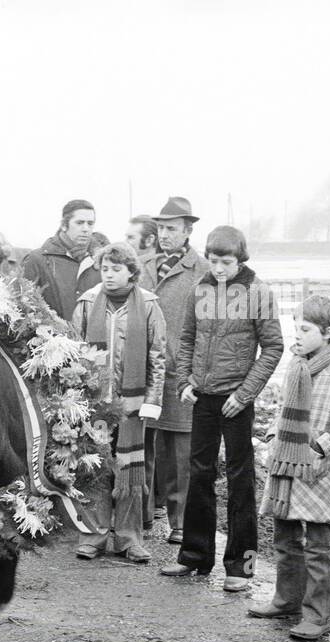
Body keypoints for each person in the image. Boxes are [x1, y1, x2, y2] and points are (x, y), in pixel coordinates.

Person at [162, 226, 283, 591]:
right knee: (198, 474)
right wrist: (184, 381)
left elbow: (273, 348)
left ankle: (240, 568)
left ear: (240, 259)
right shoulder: (199, 288)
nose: (218, 268)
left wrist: (244, 395)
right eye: (213, 260)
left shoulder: (258, 292)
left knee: (240, 480)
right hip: (202, 398)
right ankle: (193, 557)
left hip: (236, 402)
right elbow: (186, 338)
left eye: (226, 262)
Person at [249, 295, 330, 641]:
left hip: (316, 472)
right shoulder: (295, 365)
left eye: (305, 329)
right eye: (295, 327)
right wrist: (272, 433)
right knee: (284, 538)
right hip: (285, 465)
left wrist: (317, 447)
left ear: (328, 332)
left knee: (317, 545)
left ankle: (320, 614)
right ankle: (287, 600)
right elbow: (282, 409)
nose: (296, 335)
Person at [70, 243, 166, 563]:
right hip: (95, 401)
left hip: (131, 401)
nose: (109, 275)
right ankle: (93, 535)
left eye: (116, 269)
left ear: (131, 272)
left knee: (129, 467)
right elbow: (74, 352)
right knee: (94, 465)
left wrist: (151, 400)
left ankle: (128, 537)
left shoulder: (149, 305)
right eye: (105, 269)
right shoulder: (86, 303)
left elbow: (158, 356)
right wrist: (74, 398)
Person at [140, 197, 208, 545]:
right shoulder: (142, 265)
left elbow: (212, 326)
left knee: (182, 449)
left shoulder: (204, 271)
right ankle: (144, 514)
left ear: (188, 230)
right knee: (145, 442)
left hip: (183, 372)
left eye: (172, 228)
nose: (164, 234)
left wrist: (197, 370)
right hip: (146, 371)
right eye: (161, 228)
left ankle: (179, 520)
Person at [22, 199, 99, 322]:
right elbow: (25, 308)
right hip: (51, 338)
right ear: (64, 225)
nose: (86, 228)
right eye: (79, 223)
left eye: (90, 223)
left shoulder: (100, 263)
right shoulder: (37, 259)